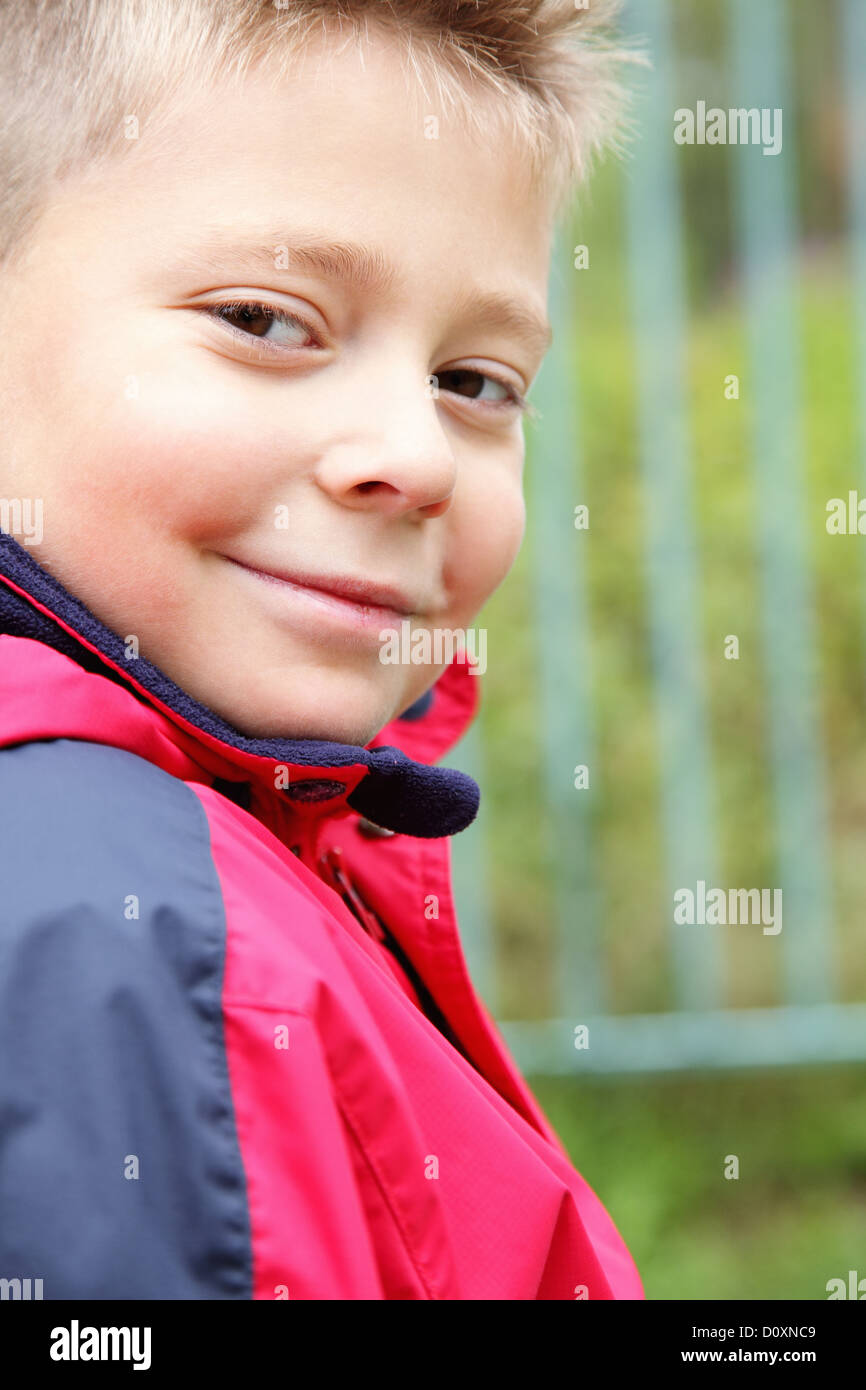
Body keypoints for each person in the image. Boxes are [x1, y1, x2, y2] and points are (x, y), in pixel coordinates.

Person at [0, 0, 644, 1299]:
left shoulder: (245, 846)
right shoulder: (123, 923)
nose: (411, 456)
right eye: (265, 318)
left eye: (475, 382)